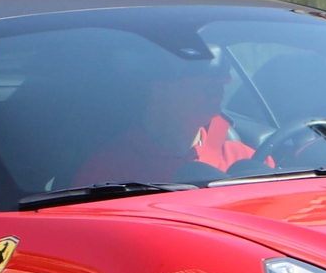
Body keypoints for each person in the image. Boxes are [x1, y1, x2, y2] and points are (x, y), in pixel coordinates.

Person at [72, 61, 252, 187]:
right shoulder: (110, 170)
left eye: (222, 85)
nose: (221, 87)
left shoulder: (245, 160)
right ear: (158, 85)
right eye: (206, 86)